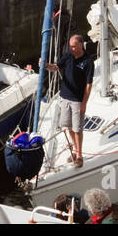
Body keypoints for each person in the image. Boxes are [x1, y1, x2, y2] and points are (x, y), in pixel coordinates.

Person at [45, 34, 94, 168]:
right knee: (68, 126)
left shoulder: (88, 61)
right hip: (65, 97)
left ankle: (79, 156)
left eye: (73, 46)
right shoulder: (68, 55)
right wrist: (46, 65)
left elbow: (89, 85)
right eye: (70, 46)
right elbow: (56, 67)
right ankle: (74, 150)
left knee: (77, 129)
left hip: (77, 100)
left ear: (80, 45)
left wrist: (84, 103)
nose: (71, 48)